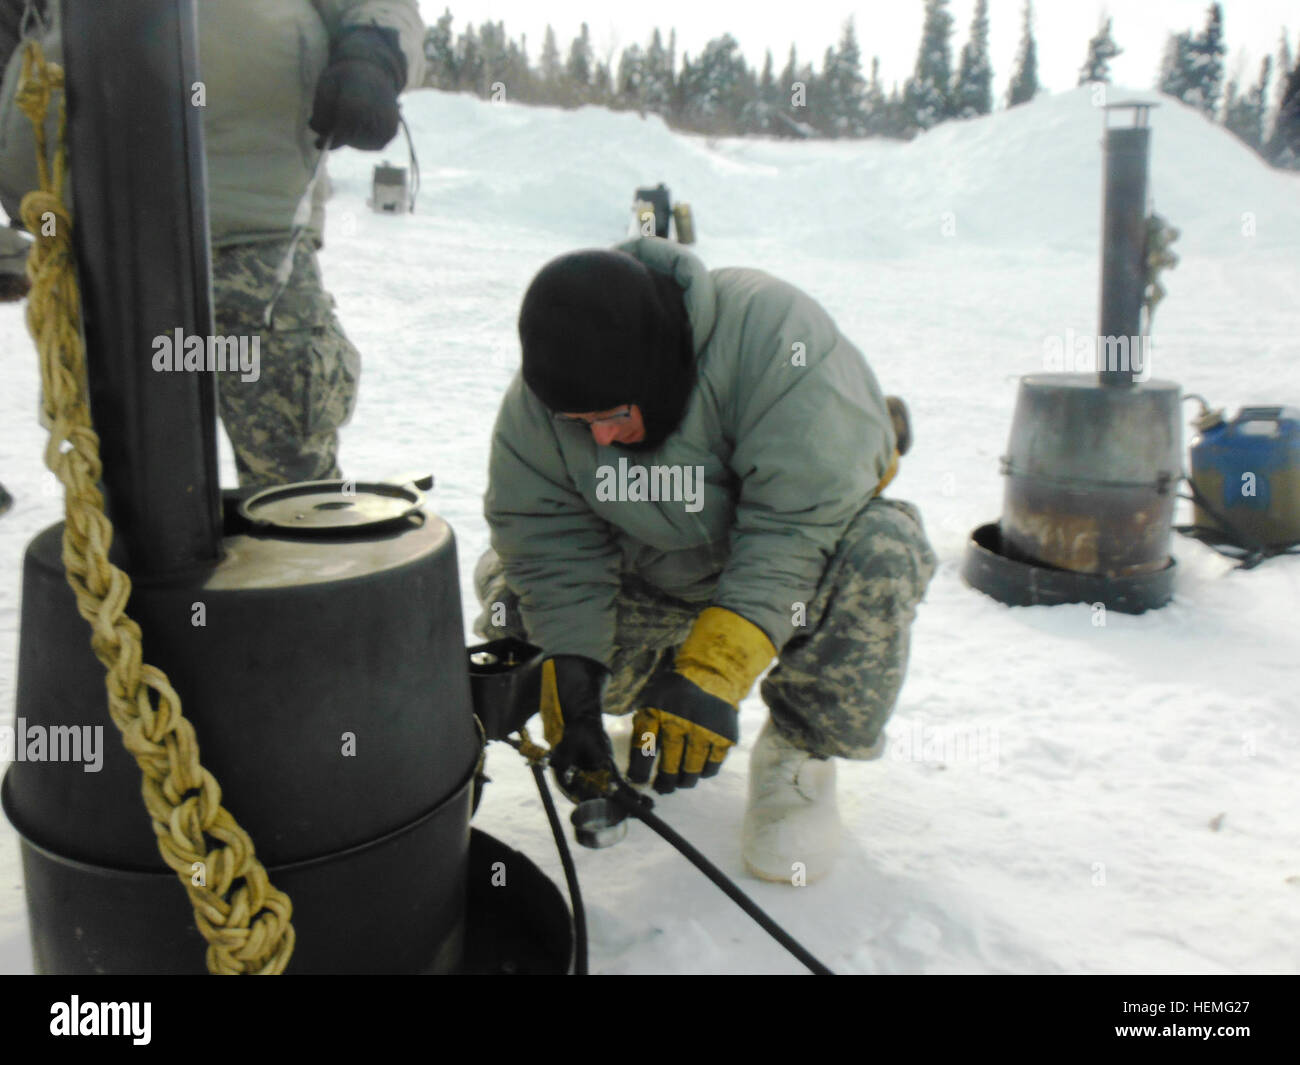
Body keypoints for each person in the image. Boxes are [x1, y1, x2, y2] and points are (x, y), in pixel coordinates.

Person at [475, 236, 937, 883]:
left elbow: (793, 529)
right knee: (507, 593)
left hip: (774, 570)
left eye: (610, 414)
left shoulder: (776, 337)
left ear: (658, 370)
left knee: (882, 551)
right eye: (579, 420)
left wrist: (714, 672)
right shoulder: (541, 408)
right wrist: (574, 690)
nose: (599, 437)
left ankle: (798, 752)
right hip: (653, 575)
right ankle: (637, 714)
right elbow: (550, 549)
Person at [0, 0, 425, 487]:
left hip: (254, 234)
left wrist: (375, 53)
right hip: (92, 241)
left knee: (292, 491)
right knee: (121, 494)